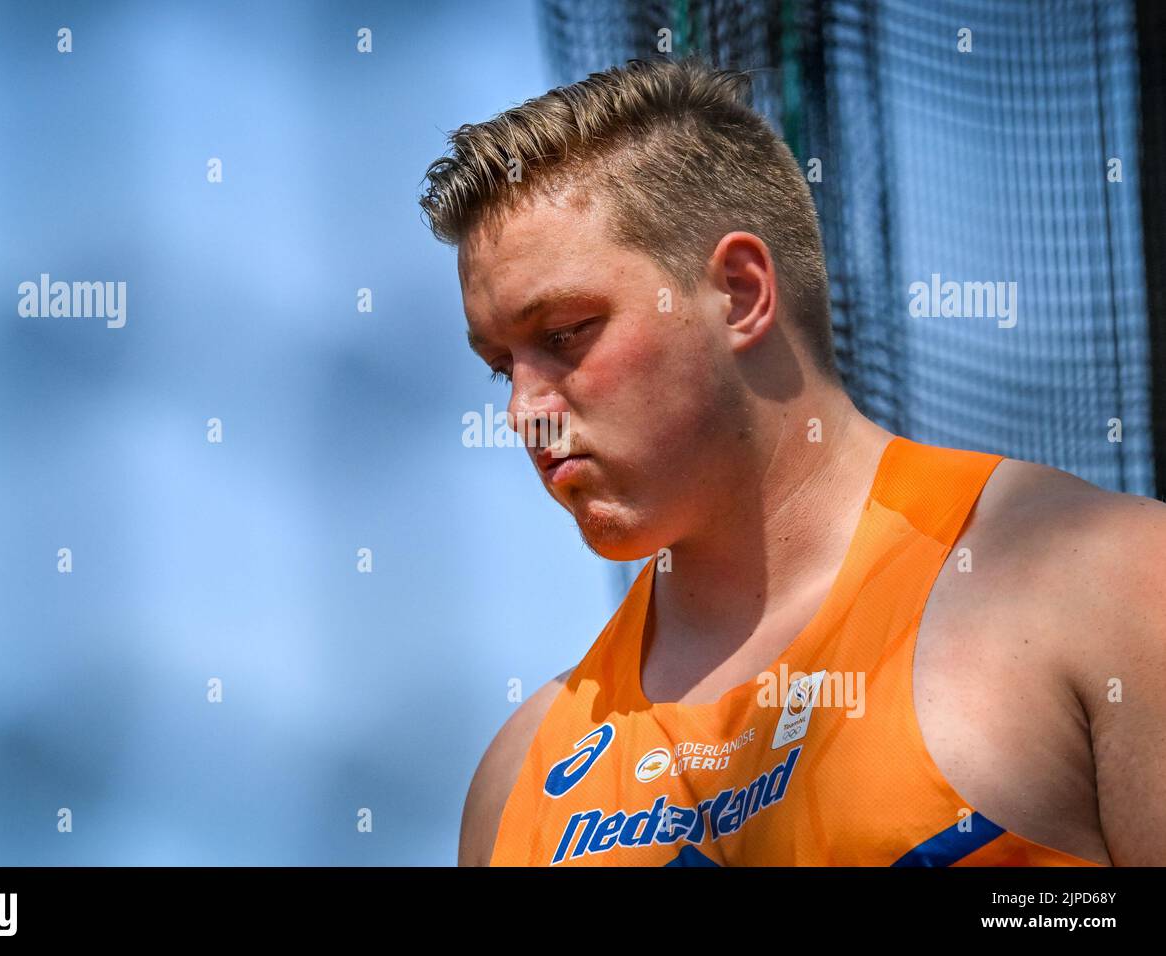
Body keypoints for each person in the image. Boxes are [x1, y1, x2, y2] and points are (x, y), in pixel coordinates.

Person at [418, 55, 1165, 866]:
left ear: (740, 293)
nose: (523, 410)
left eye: (565, 335)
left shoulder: (1106, 583)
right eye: (503, 366)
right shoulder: (517, 781)